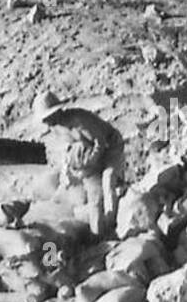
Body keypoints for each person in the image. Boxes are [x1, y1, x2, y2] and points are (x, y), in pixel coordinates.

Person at [33, 91, 125, 238]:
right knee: (94, 195)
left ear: (56, 112)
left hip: (111, 145)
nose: (46, 122)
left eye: (47, 118)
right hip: (89, 152)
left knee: (108, 181)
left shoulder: (79, 121)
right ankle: (97, 234)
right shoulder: (56, 127)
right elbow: (69, 146)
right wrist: (69, 167)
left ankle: (111, 225)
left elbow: (100, 143)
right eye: (44, 119)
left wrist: (91, 162)